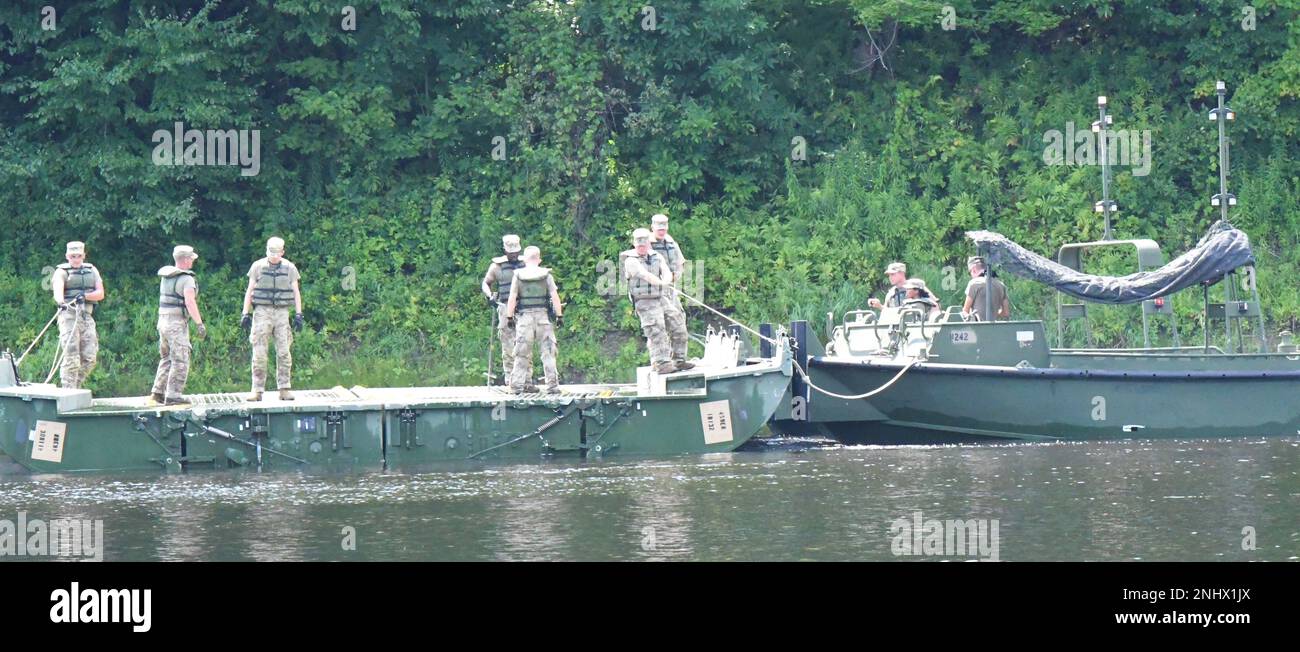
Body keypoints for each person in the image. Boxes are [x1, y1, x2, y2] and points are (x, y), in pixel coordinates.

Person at [240, 237, 303, 401]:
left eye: (277, 252)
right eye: (270, 252)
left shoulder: (290, 268)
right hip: (262, 313)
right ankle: (257, 390)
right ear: (266, 250)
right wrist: (245, 313)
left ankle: (284, 388)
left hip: (282, 313)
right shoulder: (257, 267)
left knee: (284, 352)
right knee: (259, 353)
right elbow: (249, 290)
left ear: (282, 252)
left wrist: (298, 314)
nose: (274, 256)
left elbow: (296, 292)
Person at [151, 245, 206, 405]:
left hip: (162, 321)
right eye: (191, 259)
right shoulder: (187, 279)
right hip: (176, 323)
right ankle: (174, 395)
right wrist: (199, 323)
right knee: (180, 359)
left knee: (166, 358)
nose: (192, 262)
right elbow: (190, 302)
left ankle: (157, 392)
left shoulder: (166, 276)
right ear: (186, 260)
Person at [505, 246, 563, 394]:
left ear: (524, 259)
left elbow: (512, 298)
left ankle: (516, 386)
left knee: (521, 354)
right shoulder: (546, 276)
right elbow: (555, 297)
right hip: (543, 318)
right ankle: (552, 386)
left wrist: (509, 317)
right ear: (539, 259)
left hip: (525, 320)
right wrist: (559, 315)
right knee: (548, 353)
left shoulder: (518, 276)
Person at [50, 241, 105, 389]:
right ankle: (68, 390)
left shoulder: (92, 270)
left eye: (79, 256)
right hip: (68, 315)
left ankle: (75, 386)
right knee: (71, 357)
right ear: (67, 256)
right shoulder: (61, 272)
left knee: (90, 358)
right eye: (73, 256)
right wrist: (61, 302)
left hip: (86, 316)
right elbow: (58, 292)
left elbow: (100, 294)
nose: (76, 259)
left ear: (84, 256)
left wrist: (85, 296)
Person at [622, 228, 676, 374]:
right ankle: (662, 363)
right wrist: (661, 283)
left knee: (676, 320)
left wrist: (666, 279)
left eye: (644, 242)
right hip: (643, 301)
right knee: (656, 329)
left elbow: (666, 271)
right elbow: (643, 274)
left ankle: (679, 359)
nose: (641, 245)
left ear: (648, 243)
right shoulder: (630, 261)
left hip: (659, 297)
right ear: (634, 243)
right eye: (638, 243)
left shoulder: (656, 256)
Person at [650, 213, 693, 370]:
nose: (661, 230)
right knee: (657, 327)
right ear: (652, 227)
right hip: (653, 293)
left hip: (671, 289)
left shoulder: (671, 243)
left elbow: (680, 263)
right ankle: (659, 362)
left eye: (664, 227)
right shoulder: (646, 245)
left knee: (679, 321)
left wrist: (675, 277)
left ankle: (679, 360)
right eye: (658, 227)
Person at [481, 234, 525, 384]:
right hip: (505, 308)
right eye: (510, 252)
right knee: (507, 345)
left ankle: (526, 380)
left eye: (515, 252)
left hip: (524, 308)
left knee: (525, 343)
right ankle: (510, 379)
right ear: (505, 251)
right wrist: (489, 296)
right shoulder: (497, 267)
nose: (513, 254)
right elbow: (485, 283)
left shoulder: (526, 264)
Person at [962, 256, 1009, 321]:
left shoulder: (974, 283)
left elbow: (965, 311)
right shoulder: (1001, 285)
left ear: (974, 270)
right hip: (993, 328)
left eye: (970, 272)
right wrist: (993, 314)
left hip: (977, 329)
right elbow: (1005, 313)